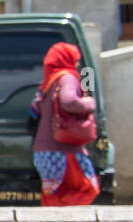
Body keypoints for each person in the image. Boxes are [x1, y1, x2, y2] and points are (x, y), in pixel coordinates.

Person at [29, 42, 100, 206]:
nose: (77, 64)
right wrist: (89, 103)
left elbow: (35, 109)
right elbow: (68, 101)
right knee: (88, 188)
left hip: (43, 152)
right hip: (63, 149)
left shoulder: (48, 82)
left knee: (52, 195)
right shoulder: (67, 77)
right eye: (75, 60)